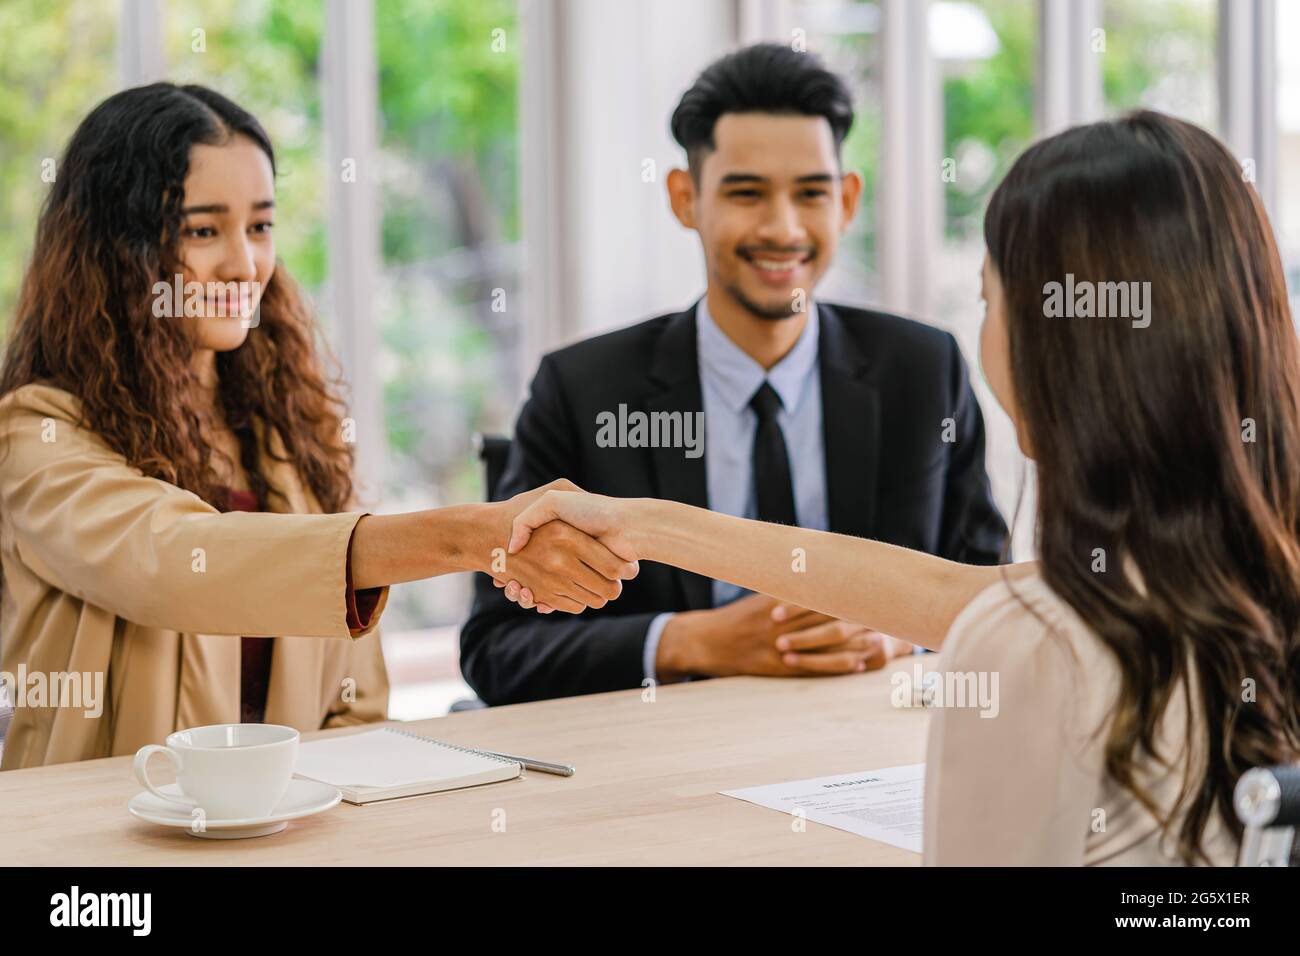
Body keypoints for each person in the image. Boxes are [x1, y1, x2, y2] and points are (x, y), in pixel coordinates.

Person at [501, 110, 1300, 865]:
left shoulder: (1036, 643)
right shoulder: (1226, 571)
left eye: (990, 301)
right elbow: (964, 593)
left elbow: (1004, 619)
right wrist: (645, 526)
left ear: (1056, 345)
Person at [0, 83, 636, 770]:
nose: (245, 265)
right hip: (100, 840)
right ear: (116, 246)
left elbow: (355, 701)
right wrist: (471, 537)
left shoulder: (285, 436)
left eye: (261, 226)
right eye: (203, 230)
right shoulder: (37, 434)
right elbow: (175, 561)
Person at [460, 44, 1007, 705]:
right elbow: (498, 649)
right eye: (746, 193)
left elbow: (997, 602)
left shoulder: (923, 370)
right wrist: (696, 641)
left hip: (868, 750)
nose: (782, 228)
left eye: (811, 193)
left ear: (847, 201)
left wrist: (904, 631)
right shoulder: (583, 389)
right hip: (670, 765)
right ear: (685, 198)